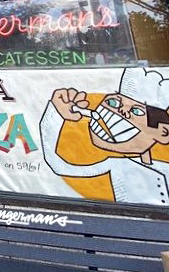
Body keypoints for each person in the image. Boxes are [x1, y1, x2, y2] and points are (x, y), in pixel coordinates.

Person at [40, 66, 169, 205]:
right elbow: (60, 165)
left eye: (136, 111)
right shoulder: (118, 164)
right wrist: (57, 114)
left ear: (163, 132)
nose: (120, 112)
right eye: (113, 102)